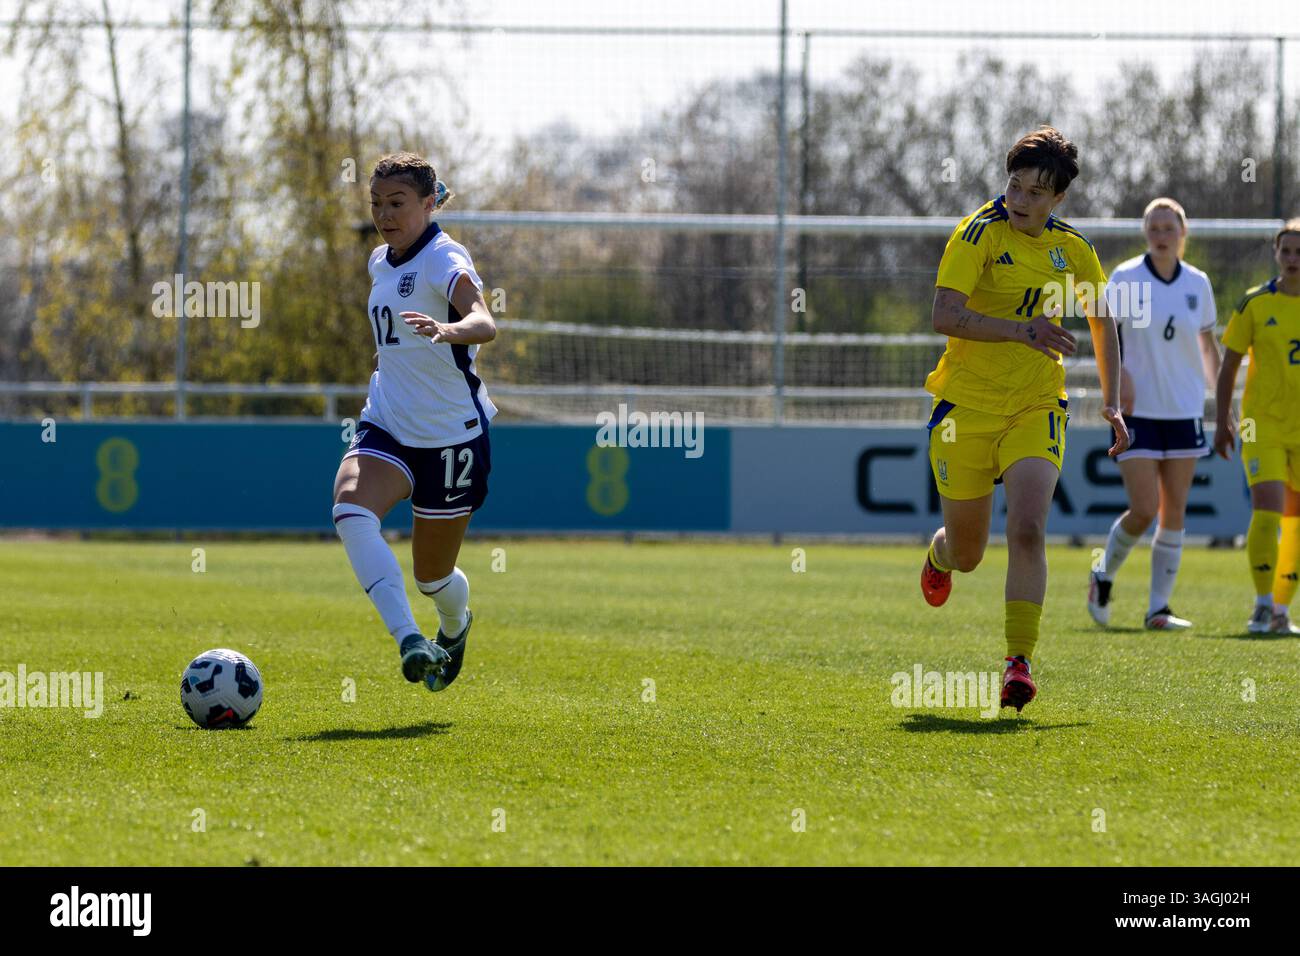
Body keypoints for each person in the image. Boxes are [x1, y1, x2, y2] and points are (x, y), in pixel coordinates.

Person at [919, 125, 1130, 711]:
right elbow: (944, 314)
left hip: (1037, 405)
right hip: (965, 407)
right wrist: (1023, 331)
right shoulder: (978, 233)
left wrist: (1112, 400)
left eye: (1037, 192)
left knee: (1029, 528)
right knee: (969, 553)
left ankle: (1019, 663)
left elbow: (1102, 320)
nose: (1021, 199)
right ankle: (940, 555)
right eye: (1015, 185)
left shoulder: (1075, 250)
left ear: (1058, 198)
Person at [332, 151, 498, 690]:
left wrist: (452, 330)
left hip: (451, 438)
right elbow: (392, 336)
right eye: (377, 203)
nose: (384, 214)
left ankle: (454, 625)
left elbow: (484, 320)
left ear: (429, 204)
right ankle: (409, 640)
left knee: (432, 577)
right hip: (388, 423)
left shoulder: (445, 258)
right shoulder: (380, 260)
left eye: (397, 203)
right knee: (350, 510)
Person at [1087, 198, 1220, 630]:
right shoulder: (1126, 277)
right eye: (1154, 227)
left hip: (1183, 410)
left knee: (1174, 511)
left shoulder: (1197, 284)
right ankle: (1102, 574)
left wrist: (1224, 404)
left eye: (1169, 228)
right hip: (1137, 413)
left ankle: (1158, 609)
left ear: (1183, 234)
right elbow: (1104, 333)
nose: (1161, 235)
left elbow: (1206, 346)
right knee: (1144, 508)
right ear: (1145, 232)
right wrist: (1118, 373)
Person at [1213, 218, 1300, 635]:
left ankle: (1283, 611)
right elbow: (1228, 365)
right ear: (1275, 254)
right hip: (1259, 425)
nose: (1293, 259)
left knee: (1296, 523)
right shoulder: (1253, 303)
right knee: (1267, 513)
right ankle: (1262, 605)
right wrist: (1222, 421)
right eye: (1287, 251)